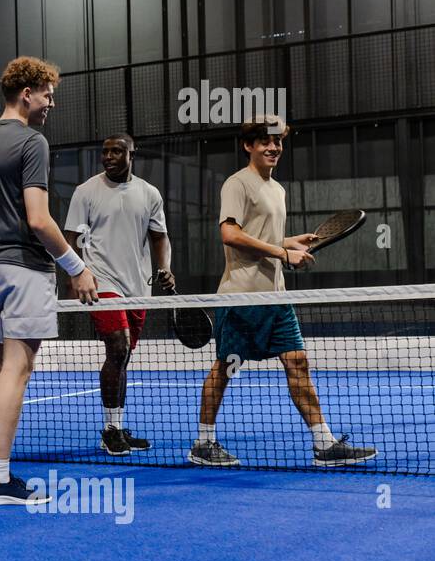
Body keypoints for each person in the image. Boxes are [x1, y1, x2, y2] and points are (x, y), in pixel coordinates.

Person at [190, 115, 377, 467]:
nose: (273, 147)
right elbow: (230, 235)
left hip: (276, 298)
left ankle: (324, 444)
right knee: (226, 368)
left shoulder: (277, 189)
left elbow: (262, 238)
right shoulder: (237, 184)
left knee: (298, 362)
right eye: (264, 141)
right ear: (249, 146)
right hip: (241, 298)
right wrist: (283, 252)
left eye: (278, 142)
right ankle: (203, 442)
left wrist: (292, 241)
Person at [0, 57, 98, 506]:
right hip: (24, 268)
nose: (51, 102)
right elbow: (38, 219)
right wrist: (77, 267)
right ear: (26, 94)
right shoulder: (33, 142)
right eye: (47, 94)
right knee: (18, 367)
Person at [62, 134, 173, 456]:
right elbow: (69, 240)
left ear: (131, 154)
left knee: (121, 356)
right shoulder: (85, 192)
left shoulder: (149, 193)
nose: (108, 156)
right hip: (101, 281)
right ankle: (110, 429)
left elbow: (160, 238)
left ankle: (117, 425)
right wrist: (76, 274)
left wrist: (165, 267)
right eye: (104, 152)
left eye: (116, 151)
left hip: (138, 287)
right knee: (118, 345)